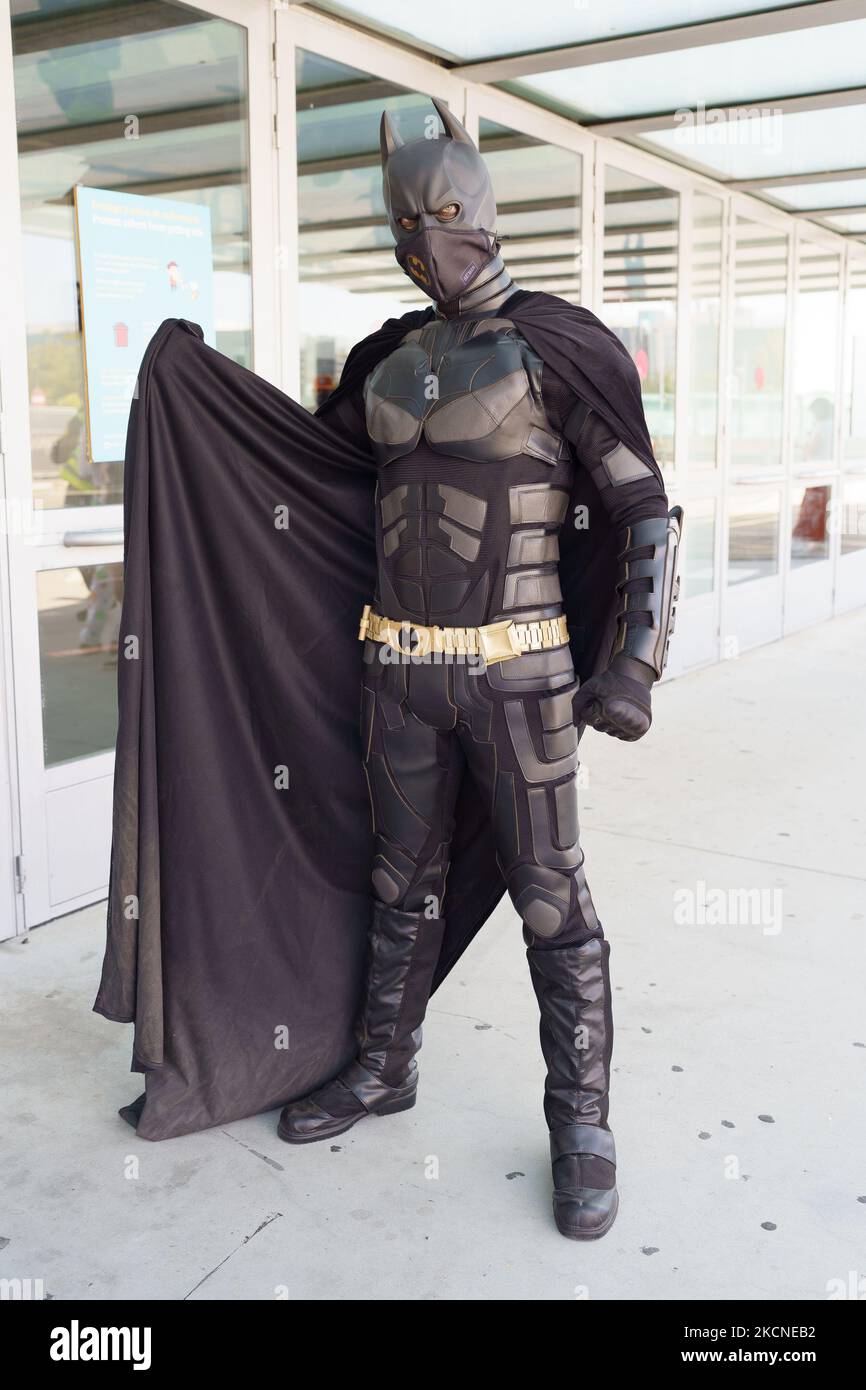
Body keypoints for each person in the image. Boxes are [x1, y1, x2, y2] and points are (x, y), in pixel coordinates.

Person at [275, 100, 681, 1240]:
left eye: (443, 210)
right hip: (398, 672)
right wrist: (195, 404)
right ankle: (380, 1066)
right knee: (397, 886)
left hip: (523, 674)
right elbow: (303, 479)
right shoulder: (385, 364)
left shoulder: (554, 350)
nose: (424, 235)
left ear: (484, 209)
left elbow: (642, 508)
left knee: (551, 902)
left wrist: (632, 666)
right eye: (404, 218)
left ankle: (582, 1125)